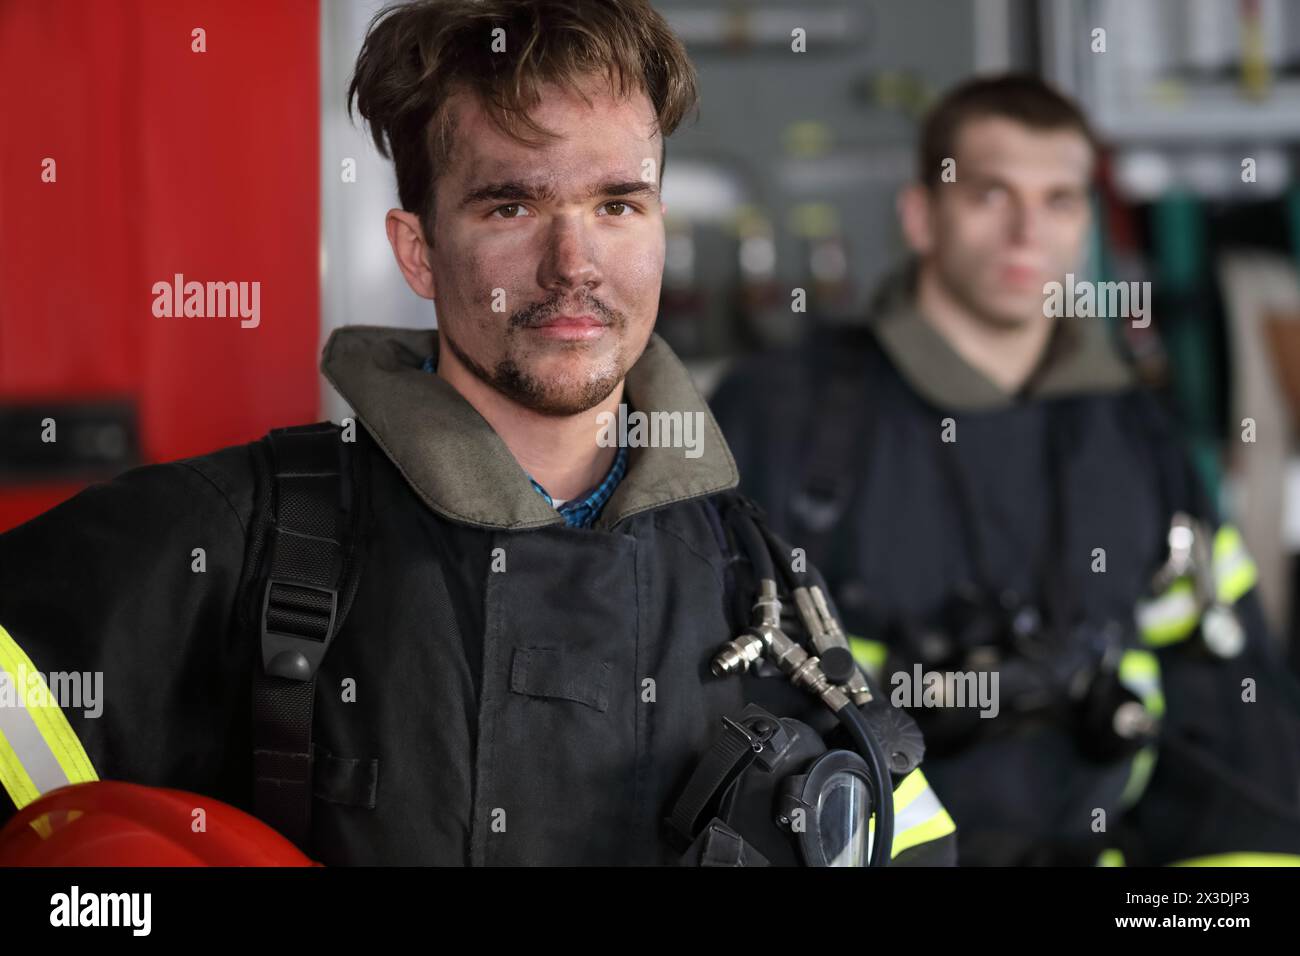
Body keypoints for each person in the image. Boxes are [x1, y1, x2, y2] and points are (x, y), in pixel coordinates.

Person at [0, 0, 953, 867]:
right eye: (512, 204)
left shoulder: (760, 583)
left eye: (617, 204)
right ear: (418, 250)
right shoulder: (236, 540)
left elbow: (912, 850)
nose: (573, 263)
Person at [712, 74, 1300, 866]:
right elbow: (727, 702)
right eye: (992, 195)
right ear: (922, 216)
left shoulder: (1137, 432)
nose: (1029, 233)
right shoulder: (786, 416)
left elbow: (1229, 706)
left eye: (1060, 200)